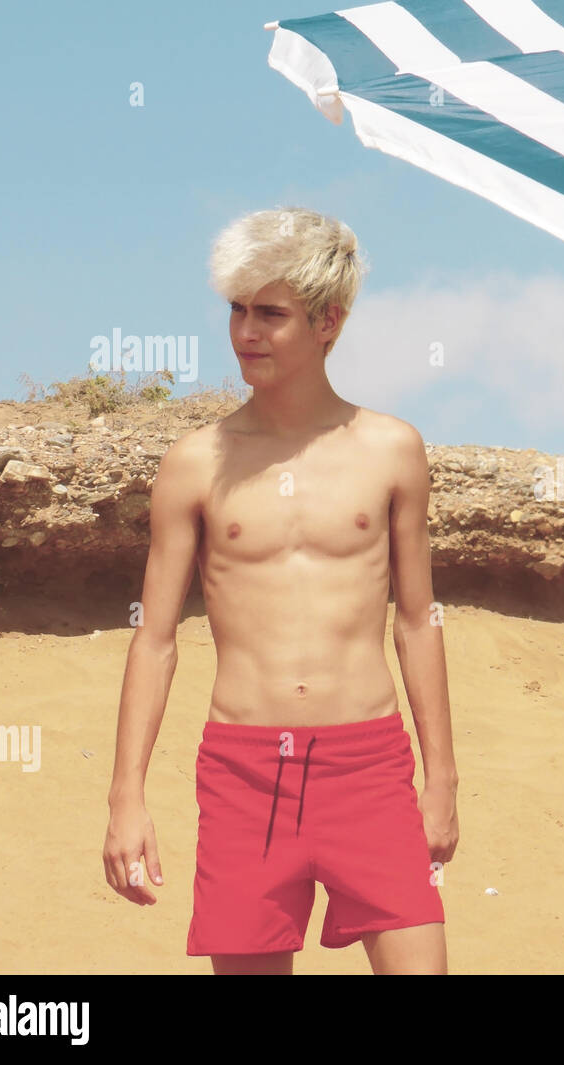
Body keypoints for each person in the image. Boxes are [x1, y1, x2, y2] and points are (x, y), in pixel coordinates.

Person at [102, 206, 458, 974]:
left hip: (367, 765)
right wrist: (124, 796)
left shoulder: (391, 451)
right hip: (245, 770)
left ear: (329, 321)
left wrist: (442, 778)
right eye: (236, 309)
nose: (245, 332)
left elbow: (419, 621)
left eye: (271, 313)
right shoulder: (195, 463)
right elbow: (156, 638)